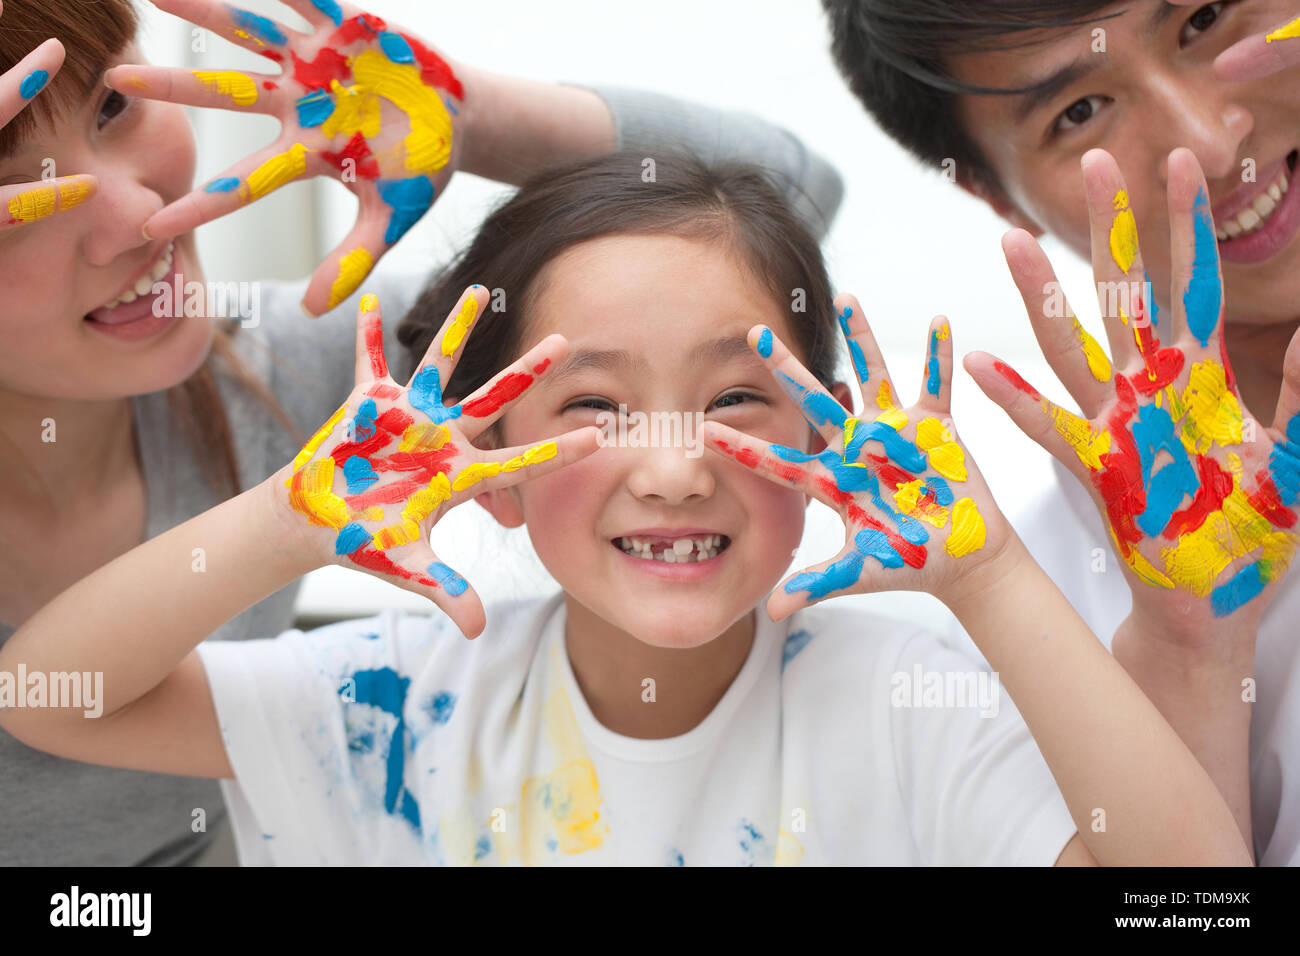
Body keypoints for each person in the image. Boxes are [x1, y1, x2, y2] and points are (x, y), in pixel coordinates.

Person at [0, 149, 1255, 865]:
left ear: (829, 427)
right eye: (591, 406)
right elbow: (48, 695)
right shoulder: (395, 700)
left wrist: (988, 580)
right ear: (484, 459)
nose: (671, 466)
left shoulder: (900, 704)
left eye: (737, 398)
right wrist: (289, 515)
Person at [0, 0, 842, 865]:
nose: (133, 216)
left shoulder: (319, 384)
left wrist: (471, 119)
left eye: (112, 108)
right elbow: (41, 698)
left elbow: (766, 214)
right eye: (14, 193)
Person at [821, 0, 1300, 864]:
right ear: (994, 192)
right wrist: (1192, 656)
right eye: (1080, 112)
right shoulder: (1029, 640)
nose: (1213, 142)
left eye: (1203, 19)